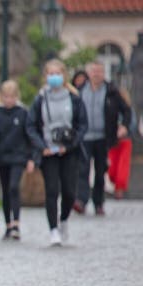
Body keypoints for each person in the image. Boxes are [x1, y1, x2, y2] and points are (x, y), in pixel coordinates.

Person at [27, 59, 88, 246]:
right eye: (51, 74)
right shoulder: (40, 99)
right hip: (48, 152)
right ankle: (53, 229)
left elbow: (82, 125)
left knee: (69, 191)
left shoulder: (74, 99)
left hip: (68, 151)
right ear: (46, 76)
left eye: (57, 74)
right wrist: (42, 146)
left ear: (64, 76)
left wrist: (69, 145)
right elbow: (30, 126)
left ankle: (63, 220)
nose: (54, 77)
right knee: (52, 190)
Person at [74, 60, 132, 215]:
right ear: (89, 73)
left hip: (103, 137)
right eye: (94, 71)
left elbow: (126, 110)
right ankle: (81, 200)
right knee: (83, 169)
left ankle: (98, 203)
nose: (97, 74)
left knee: (100, 172)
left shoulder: (111, 91)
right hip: (84, 136)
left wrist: (124, 126)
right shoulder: (80, 90)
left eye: (99, 71)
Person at [0, 80, 36, 240]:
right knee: (6, 190)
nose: (9, 100)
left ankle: (16, 223)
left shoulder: (23, 113)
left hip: (18, 157)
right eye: (6, 97)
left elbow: (29, 137)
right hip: (2, 157)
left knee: (14, 187)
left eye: (12, 97)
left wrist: (31, 158)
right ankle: (8, 224)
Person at [107, 88, 136, 199]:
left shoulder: (129, 110)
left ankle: (119, 187)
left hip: (125, 140)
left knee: (123, 164)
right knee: (112, 165)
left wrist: (124, 129)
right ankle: (114, 181)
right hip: (113, 140)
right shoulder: (111, 108)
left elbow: (132, 124)